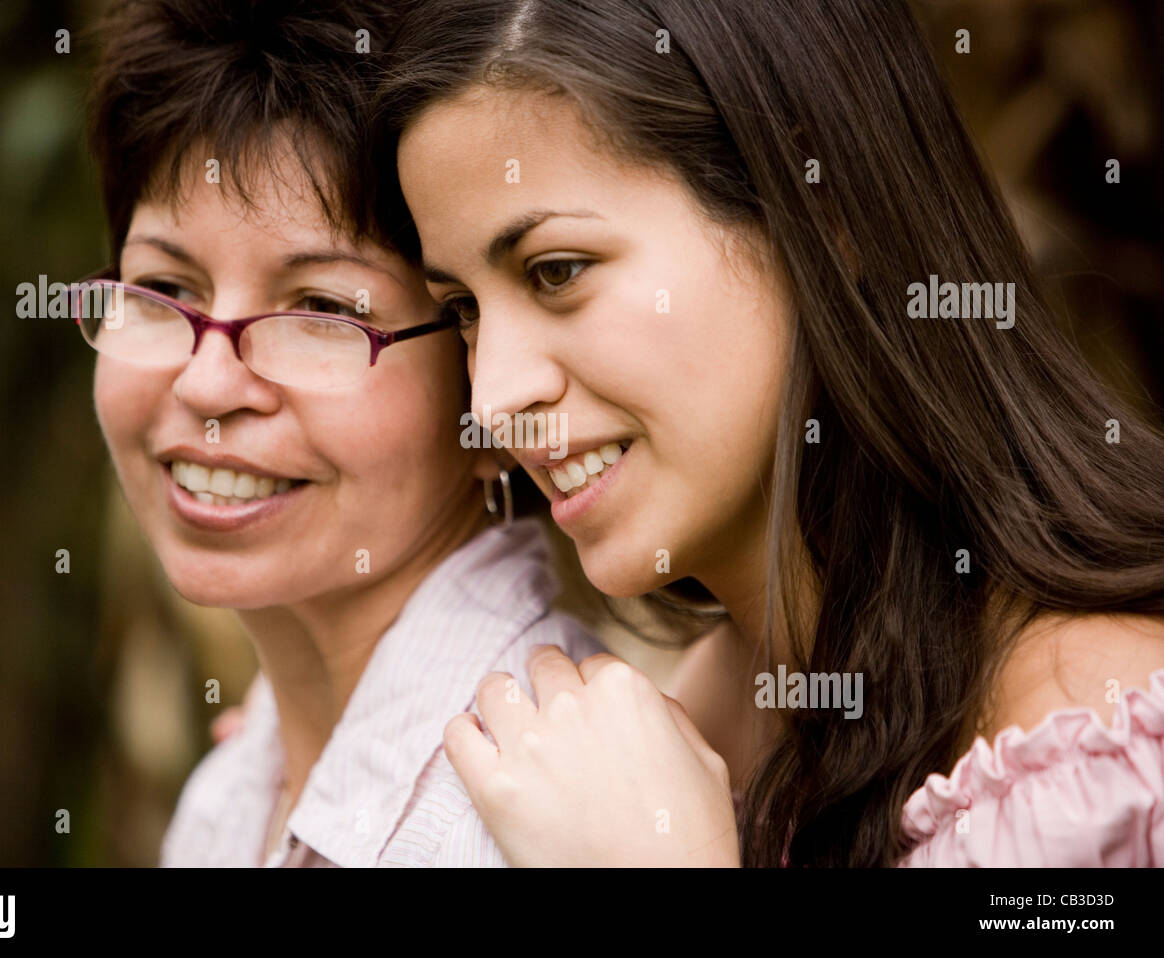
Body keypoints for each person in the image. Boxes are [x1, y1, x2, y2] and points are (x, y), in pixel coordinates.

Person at [374, 0, 1164, 866]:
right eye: (464, 311)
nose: (493, 396)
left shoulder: (1101, 756)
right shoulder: (706, 714)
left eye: (557, 271)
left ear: (822, 216)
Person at [80, 0, 603, 867]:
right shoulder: (229, 797)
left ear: (486, 389)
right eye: (165, 286)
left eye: (322, 309)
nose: (208, 383)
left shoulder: (540, 822)